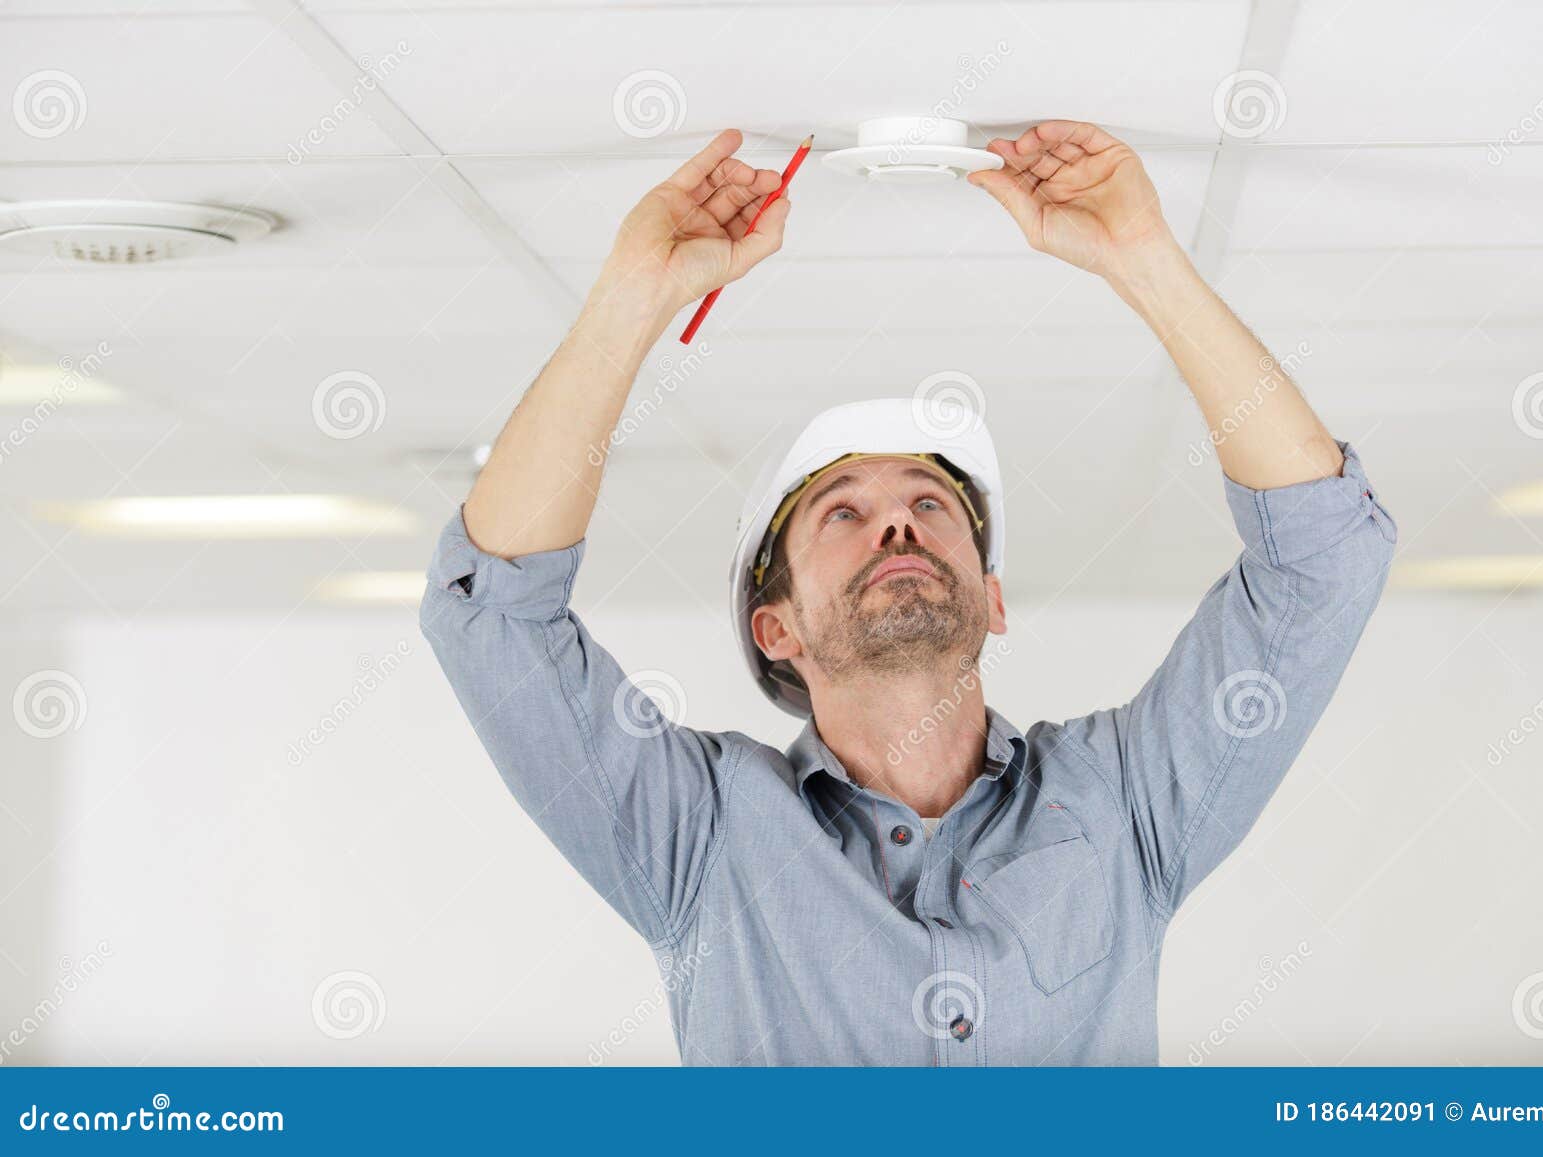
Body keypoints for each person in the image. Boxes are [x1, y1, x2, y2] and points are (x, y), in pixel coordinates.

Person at [421, 123, 1398, 1065]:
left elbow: (1324, 558)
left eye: (931, 503)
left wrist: (1145, 260)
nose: (897, 523)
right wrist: (631, 298)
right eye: (842, 512)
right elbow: (492, 617)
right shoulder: (705, 833)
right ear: (776, 627)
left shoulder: (1121, 801)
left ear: (993, 600)